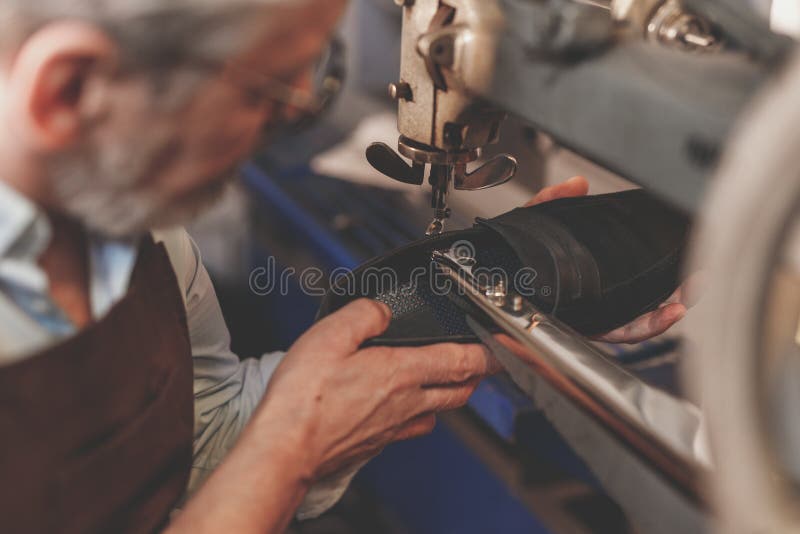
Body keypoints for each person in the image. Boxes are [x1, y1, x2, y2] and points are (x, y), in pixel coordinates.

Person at [0, 0, 685, 532]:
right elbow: (269, 452)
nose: (289, 117)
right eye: (266, 95)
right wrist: (290, 451)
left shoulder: (129, 224)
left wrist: (507, 314)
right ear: (70, 88)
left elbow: (202, 439)